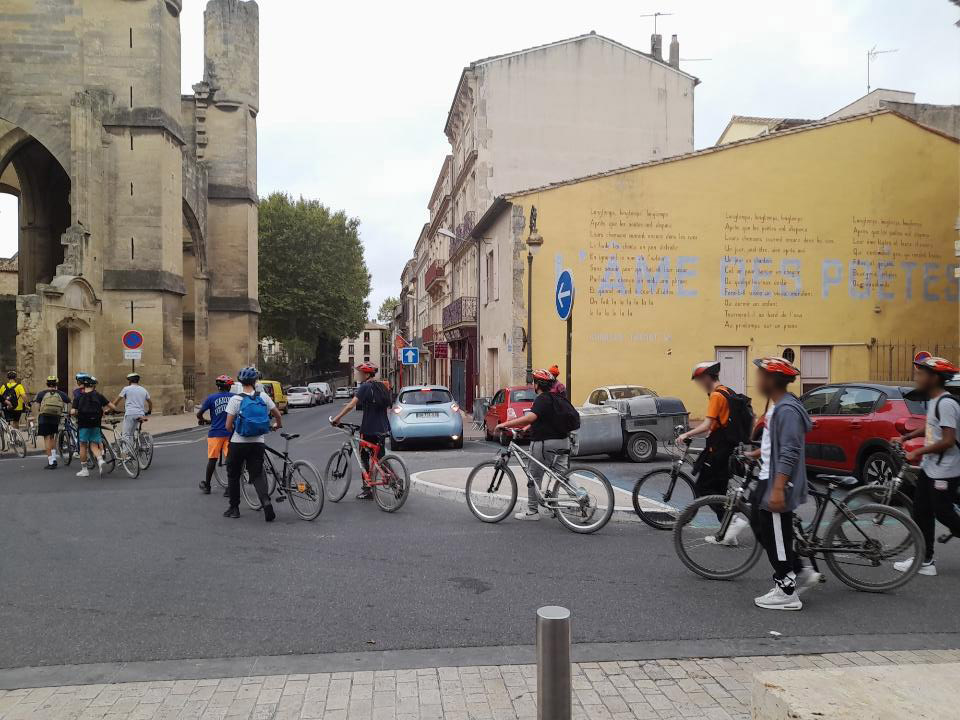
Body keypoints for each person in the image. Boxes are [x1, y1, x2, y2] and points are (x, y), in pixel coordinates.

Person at [749, 357, 817, 611]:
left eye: (761, 375)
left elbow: (789, 451)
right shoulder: (778, 406)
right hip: (768, 475)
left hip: (778, 481)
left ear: (771, 380)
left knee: (776, 533)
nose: (757, 380)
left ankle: (787, 591)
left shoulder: (787, 410)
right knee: (762, 526)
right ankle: (790, 572)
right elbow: (775, 444)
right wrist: (755, 455)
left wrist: (778, 488)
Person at [893, 355, 960, 577]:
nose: (917, 377)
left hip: (946, 470)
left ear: (934, 378)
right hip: (931, 468)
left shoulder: (947, 403)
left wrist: (918, 451)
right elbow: (931, 428)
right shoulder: (935, 402)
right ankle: (925, 559)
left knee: (944, 514)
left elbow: (948, 440)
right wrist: (906, 437)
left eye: (921, 374)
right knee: (921, 511)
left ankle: (926, 558)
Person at [495, 368, 575, 521]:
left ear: (538, 385)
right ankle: (581, 498)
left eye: (534, 383)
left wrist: (505, 424)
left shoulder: (542, 399)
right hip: (563, 441)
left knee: (534, 475)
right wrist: (525, 428)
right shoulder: (556, 398)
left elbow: (530, 417)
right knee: (563, 476)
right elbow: (544, 419)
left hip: (544, 443)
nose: (533, 385)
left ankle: (532, 511)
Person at [223, 366, 281, 520]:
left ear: (241, 382)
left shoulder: (235, 399)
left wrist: (237, 428)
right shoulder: (263, 397)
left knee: (234, 474)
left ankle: (234, 508)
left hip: (238, 443)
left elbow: (228, 426)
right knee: (257, 475)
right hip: (258, 442)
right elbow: (277, 414)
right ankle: (266, 501)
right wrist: (278, 424)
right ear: (255, 381)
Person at [330, 362, 392, 500]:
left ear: (367, 374)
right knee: (380, 458)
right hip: (383, 427)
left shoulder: (365, 387)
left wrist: (337, 418)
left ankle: (367, 489)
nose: (358, 375)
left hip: (369, 428)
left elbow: (352, 405)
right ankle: (395, 482)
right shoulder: (382, 386)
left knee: (363, 457)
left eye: (360, 373)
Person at [71, 376, 118, 477]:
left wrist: (75, 413)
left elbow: (73, 411)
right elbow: (113, 406)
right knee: (93, 444)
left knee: (83, 445)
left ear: (85, 385)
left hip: (83, 424)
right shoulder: (98, 395)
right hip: (96, 423)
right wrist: (109, 411)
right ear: (93, 385)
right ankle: (100, 460)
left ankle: (84, 470)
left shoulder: (79, 397)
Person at [197, 374, 234, 495]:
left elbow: (199, 413)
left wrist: (203, 420)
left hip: (215, 433)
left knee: (212, 459)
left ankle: (207, 486)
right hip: (230, 432)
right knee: (230, 460)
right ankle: (230, 487)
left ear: (218, 387)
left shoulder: (211, 398)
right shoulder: (234, 397)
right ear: (229, 387)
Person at [33, 376, 69, 469]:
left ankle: (51, 461)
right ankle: (54, 458)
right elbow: (69, 401)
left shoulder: (41, 394)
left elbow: (36, 407)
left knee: (47, 438)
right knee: (52, 437)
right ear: (56, 385)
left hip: (44, 418)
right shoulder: (61, 393)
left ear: (47, 384)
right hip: (55, 418)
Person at [113, 373, 151, 446]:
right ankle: (134, 448)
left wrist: (109, 410)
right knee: (131, 433)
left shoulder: (126, 389)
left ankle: (126, 454)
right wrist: (149, 411)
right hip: (140, 413)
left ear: (129, 381)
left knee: (126, 434)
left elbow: (117, 401)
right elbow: (150, 402)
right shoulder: (143, 389)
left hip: (130, 413)